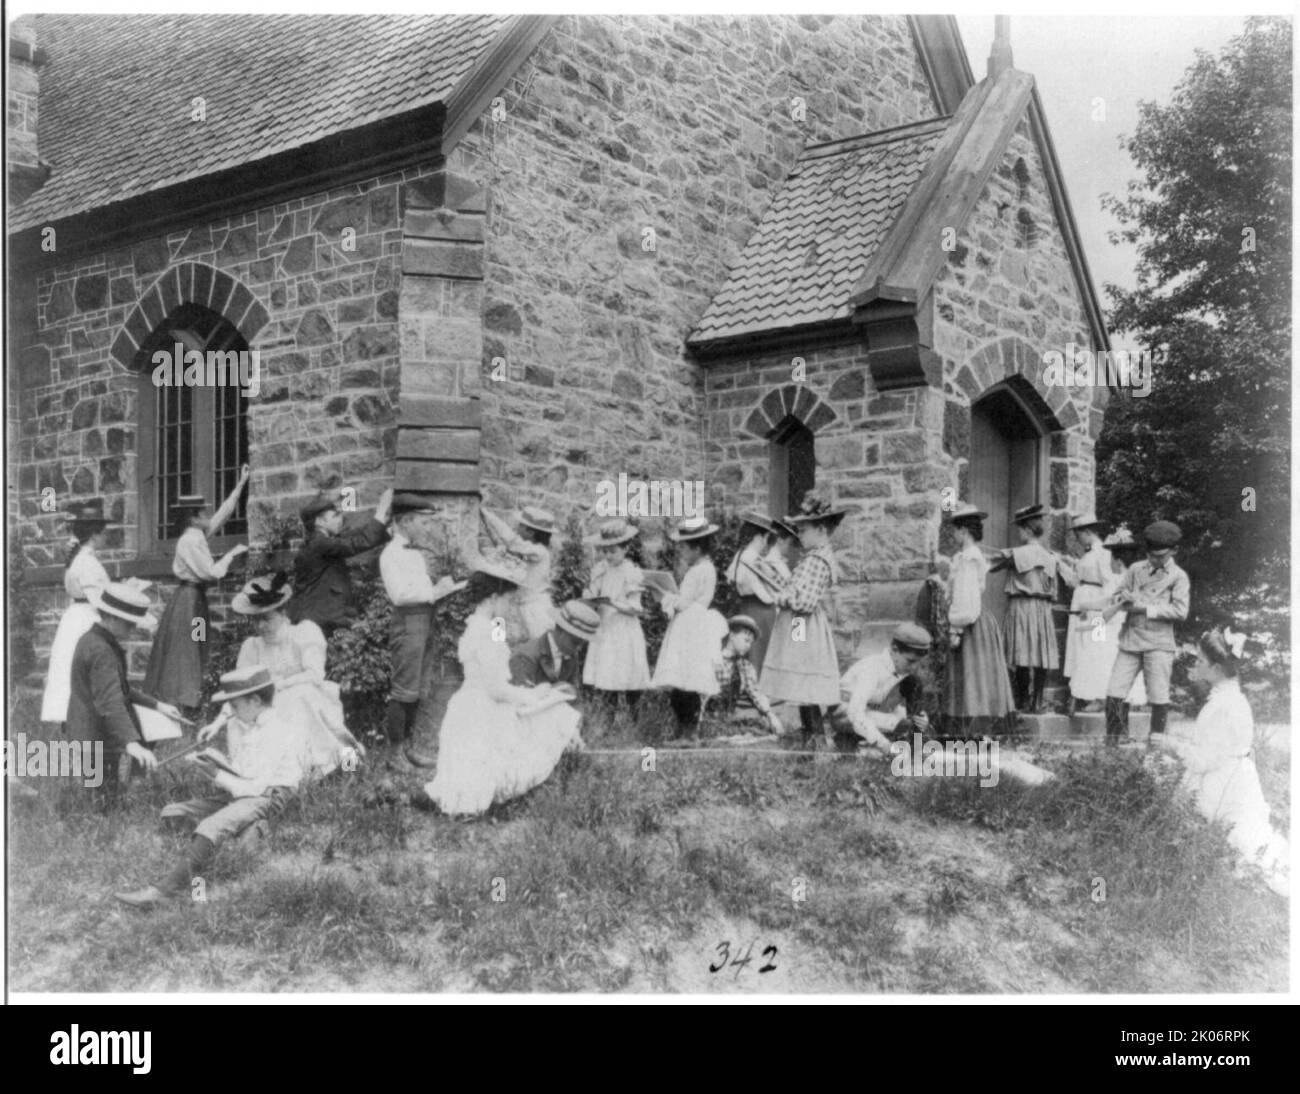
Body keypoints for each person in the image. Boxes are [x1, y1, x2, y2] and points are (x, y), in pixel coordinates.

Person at [114, 667, 315, 908]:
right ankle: (248, 829)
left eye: (235, 706)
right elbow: (242, 773)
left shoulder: (277, 731)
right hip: (243, 792)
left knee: (210, 826)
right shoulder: (250, 725)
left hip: (267, 795)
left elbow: (254, 788)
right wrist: (213, 763)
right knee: (172, 812)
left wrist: (215, 773)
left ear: (255, 701)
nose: (232, 712)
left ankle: (166, 891)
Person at [420, 551, 583, 816]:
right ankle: (484, 801)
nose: (511, 606)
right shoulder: (483, 631)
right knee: (547, 714)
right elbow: (496, 690)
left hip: (475, 702)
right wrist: (532, 696)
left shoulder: (484, 623)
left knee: (545, 710)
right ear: (494, 598)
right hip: (481, 707)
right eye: (508, 600)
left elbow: (498, 661)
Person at [1155, 628, 1288, 896]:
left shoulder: (1222, 706)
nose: (1196, 664)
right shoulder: (1232, 698)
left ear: (1216, 668)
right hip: (1235, 776)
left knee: (1238, 842)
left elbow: (1205, 760)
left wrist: (1171, 745)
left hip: (1222, 782)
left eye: (1201, 661)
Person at [197, 573, 362, 778]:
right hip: (269, 706)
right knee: (239, 721)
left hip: (310, 698)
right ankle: (263, 778)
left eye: (266, 619)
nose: (260, 626)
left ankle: (348, 768)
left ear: (283, 613)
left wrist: (280, 684)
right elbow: (238, 691)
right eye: (256, 620)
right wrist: (217, 722)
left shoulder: (304, 633)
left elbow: (315, 674)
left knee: (301, 699)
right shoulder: (252, 647)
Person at [143, 468, 251, 711]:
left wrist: (240, 484)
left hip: (195, 601)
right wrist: (232, 554)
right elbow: (210, 572)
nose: (207, 515)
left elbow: (222, 516)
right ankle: (183, 700)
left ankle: (192, 698)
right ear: (193, 518)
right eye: (203, 513)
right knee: (188, 648)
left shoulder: (196, 535)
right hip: (188, 603)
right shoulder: (190, 540)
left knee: (197, 643)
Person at [67, 583, 180, 797]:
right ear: (112, 617)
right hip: (95, 735)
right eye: (130, 624)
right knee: (102, 801)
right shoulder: (102, 651)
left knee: (103, 791)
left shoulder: (92, 639)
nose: (134, 629)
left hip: (89, 730)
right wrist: (131, 743)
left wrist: (158, 705)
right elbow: (110, 703)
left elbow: (122, 689)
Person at [759, 490, 847, 752]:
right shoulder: (812, 558)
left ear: (821, 529)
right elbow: (800, 591)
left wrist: (781, 595)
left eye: (804, 530)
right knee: (800, 681)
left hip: (804, 623)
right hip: (800, 624)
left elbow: (803, 602)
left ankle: (816, 738)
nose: (799, 535)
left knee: (805, 680)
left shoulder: (817, 560)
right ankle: (811, 735)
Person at [378, 494, 461, 765]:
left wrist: (440, 591)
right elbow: (400, 595)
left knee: (418, 688)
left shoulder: (412, 553)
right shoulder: (391, 554)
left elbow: (419, 591)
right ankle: (394, 753)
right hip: (408, 622)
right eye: (422, 522)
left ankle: (409, 747)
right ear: (404, 521)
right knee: (403, 690)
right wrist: (435, 591)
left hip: (424, 620)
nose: (427, 528)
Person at [1102, 520, 1189, 743]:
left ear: (1174, 550)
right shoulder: (1135, 569)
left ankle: (1156, 746)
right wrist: (1123, 598)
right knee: (1114, 691)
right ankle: (1114, 742)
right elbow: (1116, 595)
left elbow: (1180, 611)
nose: (1154, 560)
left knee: (1158, 695)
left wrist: (1144, 607)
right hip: (1131, 640)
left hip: (1159, 643)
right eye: (1151, 555)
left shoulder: (1179, 577)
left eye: (1160, 556)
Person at [989, 503, 1075, 714]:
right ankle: (1037, 700)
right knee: (1040, 653)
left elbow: (991, 566)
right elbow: (1072, 580)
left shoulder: (1016, 554)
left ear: (1027, 530)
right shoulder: (1051, 556)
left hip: (1022, 605)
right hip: (1043, 609)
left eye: (1020, 529)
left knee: (1020, 654)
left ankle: (1023, 701)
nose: (1018, 533)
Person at [651, 516, 730, 742]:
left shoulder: (700, 571)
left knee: (688, 678)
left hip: (691, 625)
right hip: (691, 624)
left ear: (697, 547)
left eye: (684, 547)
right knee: (683, 680)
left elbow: (687, 602)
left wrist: (665, 596)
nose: (682, 552)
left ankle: (689, 731)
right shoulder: (704, 568)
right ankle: (683, 729)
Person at [941, 503, 1015, 736]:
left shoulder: (968, 558)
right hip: (976, 618)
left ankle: (974, 730)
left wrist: (956, 626)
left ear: (964, 531)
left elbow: (966, 596)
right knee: (975, 675)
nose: (953, 535)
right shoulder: (969, 556)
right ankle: (973, 729)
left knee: (974, 674)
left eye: (955, 530)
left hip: (971, 621)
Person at [41, 499, 112, 725]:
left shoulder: (77, 560)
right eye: (103, 533)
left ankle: (77, 718)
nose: (105, 537)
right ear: (95, 535)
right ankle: (83, 718)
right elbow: (99, 597)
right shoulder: (86, 562)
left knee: (71, 668)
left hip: (74, 617)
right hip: (86, 618)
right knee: (82, 670)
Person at [290, 487, 392, 638]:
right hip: (318, 620)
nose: (340, 519)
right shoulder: (320, 544)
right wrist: (382, 508)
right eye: (335, 516)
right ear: (320, 521)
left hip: (318, 616)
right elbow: (358, 542)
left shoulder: (322, 541)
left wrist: (387, 530)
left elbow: (354, 535)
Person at [581, 519, 651, 712]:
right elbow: (593, 591)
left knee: (627, 673)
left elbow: (636, 608)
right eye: (605, 551)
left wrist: (613, 603)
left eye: (613, 551)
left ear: (625, 549)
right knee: (606, 674)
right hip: (605, 627)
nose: (608, 556)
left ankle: (635, 720)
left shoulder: (631, 572)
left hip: (624, 629)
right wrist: (590, 596)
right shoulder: (601, 569)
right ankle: (607, 721)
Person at [842, 623, 934, 751]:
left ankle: (916, 747)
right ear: (894, 650)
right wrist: (884, 745)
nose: (914, 667)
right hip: (846, 715)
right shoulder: (872, 668)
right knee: (902, 725)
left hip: (871, 711)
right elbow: (854, 713)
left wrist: (922, 721)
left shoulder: (898, 668)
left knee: (914, 683)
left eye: (918, 662)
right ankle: (849, 741)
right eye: (911, 661)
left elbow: (887, 704)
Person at [1062, 513, 1116, 712]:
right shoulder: (1088, 554)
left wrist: (1098, 608)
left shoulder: (1103, 553)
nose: (1077, 539)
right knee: (1080, 646)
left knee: (1096, 647)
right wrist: (1064, 564)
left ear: (1088, 532)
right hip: (1082, 602)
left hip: (1095, 607)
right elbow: (1077, 580)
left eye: (1079, 535)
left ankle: (1099, 696)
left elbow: (1109, 584)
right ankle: (1083, 693)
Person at [480, 505, 557, 640]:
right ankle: (497, 649)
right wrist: (485, 519)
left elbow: (511, 541)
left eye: (521, 525)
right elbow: (502, 543)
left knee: (540, 642)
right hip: (523, 603)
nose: (517, 527)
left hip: (535, 608)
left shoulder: (540, 552)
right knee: (499, 615)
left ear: (531, 532)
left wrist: (488, 514)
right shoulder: (531, 549)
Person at [724, 512, 786, 671]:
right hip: (761, 612)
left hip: (746, 608)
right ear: (760, 536)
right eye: (766, 537)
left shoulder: (740, 555)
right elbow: (768, 592)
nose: (766, 542)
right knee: (759, 655)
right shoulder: (752, 558)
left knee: (751, 653)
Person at [710, 615, 786, 736]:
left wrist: (770, 715)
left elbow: (755, 693)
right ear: (732, 635)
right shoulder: (715, 659)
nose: (748, 646)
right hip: (710, 713)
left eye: (750, 642)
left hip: (731, 714)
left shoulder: (745, 666)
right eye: (746, 640)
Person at [509, 600, 599, 688]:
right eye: (575, 643)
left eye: (582, 644)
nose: (578, 649)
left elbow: (573, 697)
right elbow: (522, 699)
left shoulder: (570, 655)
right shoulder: (525, 657)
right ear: (560, 630)